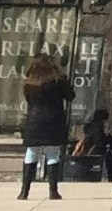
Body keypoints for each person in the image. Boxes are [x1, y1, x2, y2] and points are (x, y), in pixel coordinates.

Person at [18, 53, 73, 201]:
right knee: (53, 153)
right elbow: (70, 96)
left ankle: (24, 191)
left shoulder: (29, 83)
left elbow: (29, 100)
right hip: (54, 120)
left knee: (31, 153)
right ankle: (53, 191)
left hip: (34, 120)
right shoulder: (58, 80)